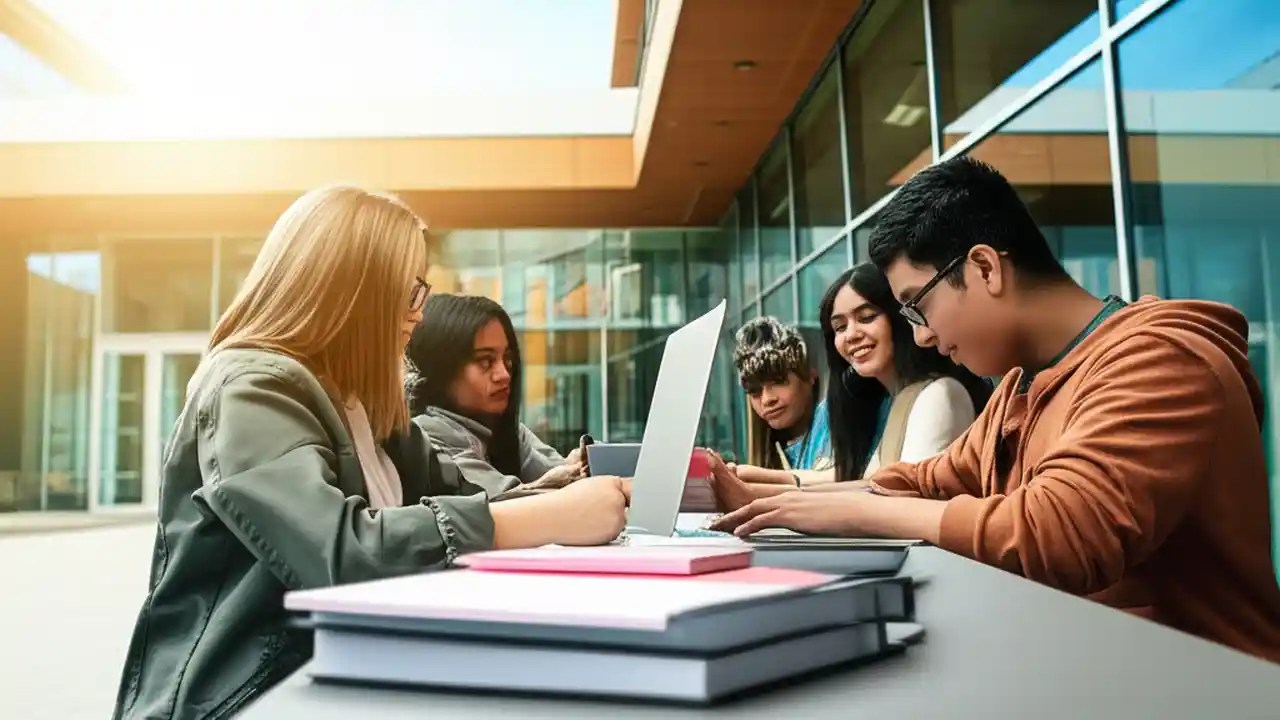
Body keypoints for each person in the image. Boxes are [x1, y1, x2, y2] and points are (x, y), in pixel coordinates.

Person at [712, 156, 1280, 662]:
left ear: (985, 267)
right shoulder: (1018, 389)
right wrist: (771, 501)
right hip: (1087, 670)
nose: (926, 337)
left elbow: (1059, 533)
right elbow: (925, 483)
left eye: (917, 307)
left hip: (1207, 688)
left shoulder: (1159, 359)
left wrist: (859, 516)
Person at [112, 186, 630, 720]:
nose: (419, 311)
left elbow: (471, 492)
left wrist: (584, 493)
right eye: (410, 290)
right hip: (247, 699)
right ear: (353, 289)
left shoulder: (362, 399)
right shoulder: (251, 387)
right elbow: (341, 555)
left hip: (348, 675)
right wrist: (547, 517)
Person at [708, 265, 989, 511]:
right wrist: (750, 479)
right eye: (840, 327)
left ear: (900, 318)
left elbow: (895, 500)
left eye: (866, 317)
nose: (852, 334)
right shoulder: (895, 399)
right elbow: (859, 483)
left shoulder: (938, 394)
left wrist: (755, 495)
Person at [407, 293, 585, 497]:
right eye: (485, 361)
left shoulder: (503, 428)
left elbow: (560, 471)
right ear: (441, 367)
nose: (504, 374)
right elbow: (504, 502)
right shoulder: (427, 435)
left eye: (507, 359)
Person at [729, 316, 833, 486]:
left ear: (810, 374)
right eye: (754, 391)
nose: (767, 399)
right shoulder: (777, 447)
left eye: (778, 381)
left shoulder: (832, 415)